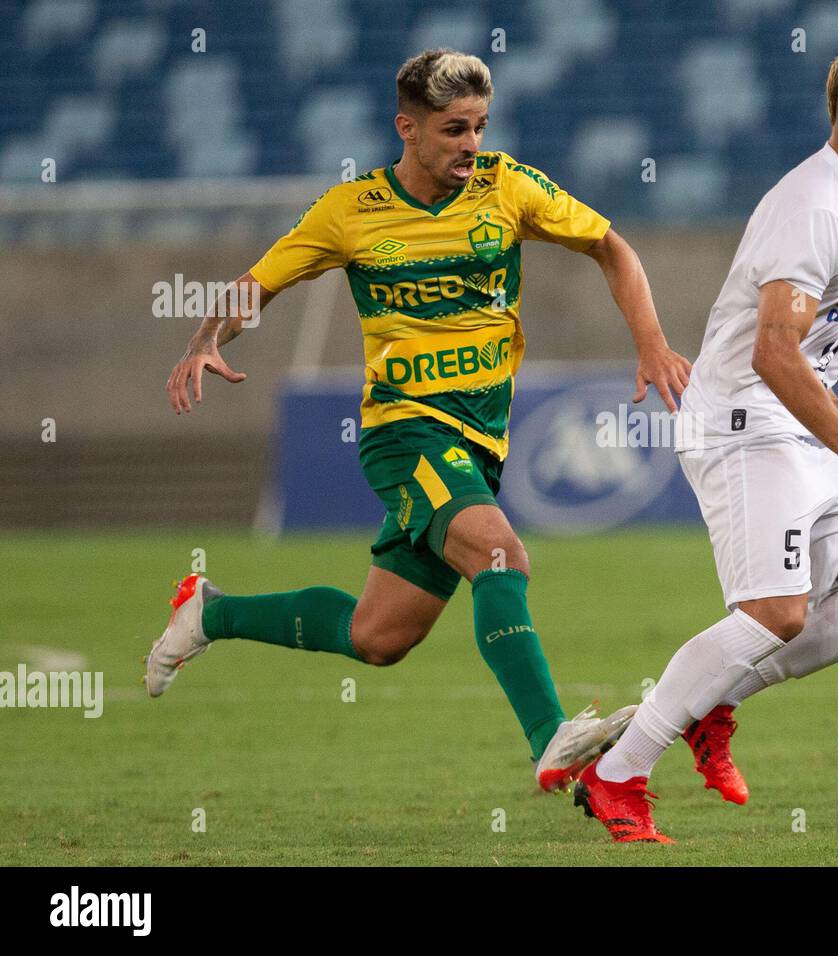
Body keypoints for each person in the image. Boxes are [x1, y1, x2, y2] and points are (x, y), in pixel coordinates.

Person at [154, 48, 692, 792]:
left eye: (479, 126)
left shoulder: (509, 188)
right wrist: (205, 338)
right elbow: (261, 283)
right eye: (453, 129)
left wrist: (651, 341)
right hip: (405, 433)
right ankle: (551, 737)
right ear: (407, 128)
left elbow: (611, 246)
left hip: (480, 442)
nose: (471, 143)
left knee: (377, 638)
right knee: (501, 556)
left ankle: (209, 614)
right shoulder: (351, 211)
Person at [573, 34, 838, 842]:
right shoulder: (815, 207)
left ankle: (712, 700)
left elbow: (797, 349)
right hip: (739, 423)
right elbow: (771, 352)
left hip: (791, 423)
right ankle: (616, 774)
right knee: (776, 611)